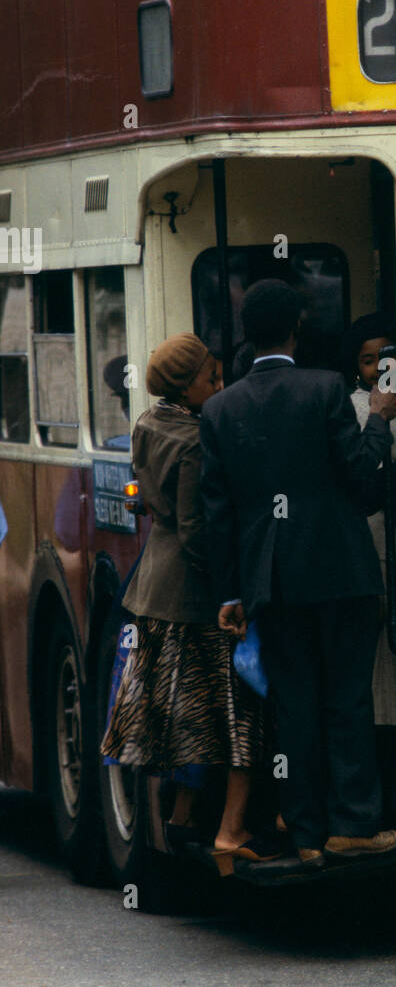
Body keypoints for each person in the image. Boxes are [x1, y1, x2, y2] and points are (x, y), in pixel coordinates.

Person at [199, 281, 396, 869]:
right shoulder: (327, 389)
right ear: (296, 329)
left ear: (248, 332)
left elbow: (218, 513)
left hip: (272, 583)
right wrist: (379, 419)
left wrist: (231, 594)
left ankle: (307, 834)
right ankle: (353, 826)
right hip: (341, 571)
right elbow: (362, 479)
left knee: (294, 708)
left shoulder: (219, 409)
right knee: (347, 700)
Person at [100, 333, 270, 868]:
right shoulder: (195, 440)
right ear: (183, 384)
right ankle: (231, 830)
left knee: (180, 714)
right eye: (210, 379)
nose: (219, 387)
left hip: (153, 585)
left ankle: (181, 819)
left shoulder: (147, 424)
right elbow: (198, 531)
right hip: (193, 596)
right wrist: (229, 594)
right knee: (238, 712)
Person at [341, 314, 396, 835]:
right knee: (389, 677)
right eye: (368, 360)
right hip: (380, 549)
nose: (378, 370)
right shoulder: (355, 408)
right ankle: (395, 801)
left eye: (385, 358)